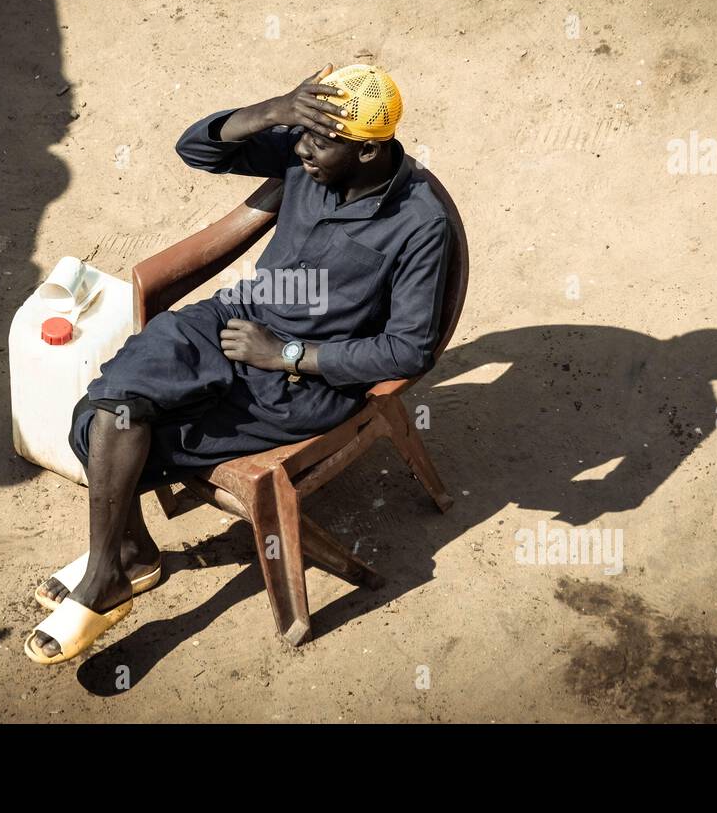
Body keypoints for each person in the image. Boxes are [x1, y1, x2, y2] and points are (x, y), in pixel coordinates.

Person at [25, 63, 454, 663]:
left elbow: (409, 348)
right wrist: (278, 109)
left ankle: (111, 571)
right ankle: (121, 559)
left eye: (320, 140)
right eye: (301, 131)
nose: (303, 147)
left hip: (300, 381)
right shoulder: (304, 151)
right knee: (107, 411)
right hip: (228, 322)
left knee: (132, 434)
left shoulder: (418, 223)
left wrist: (287, 354)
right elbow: (195, 147)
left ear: (366, 151)